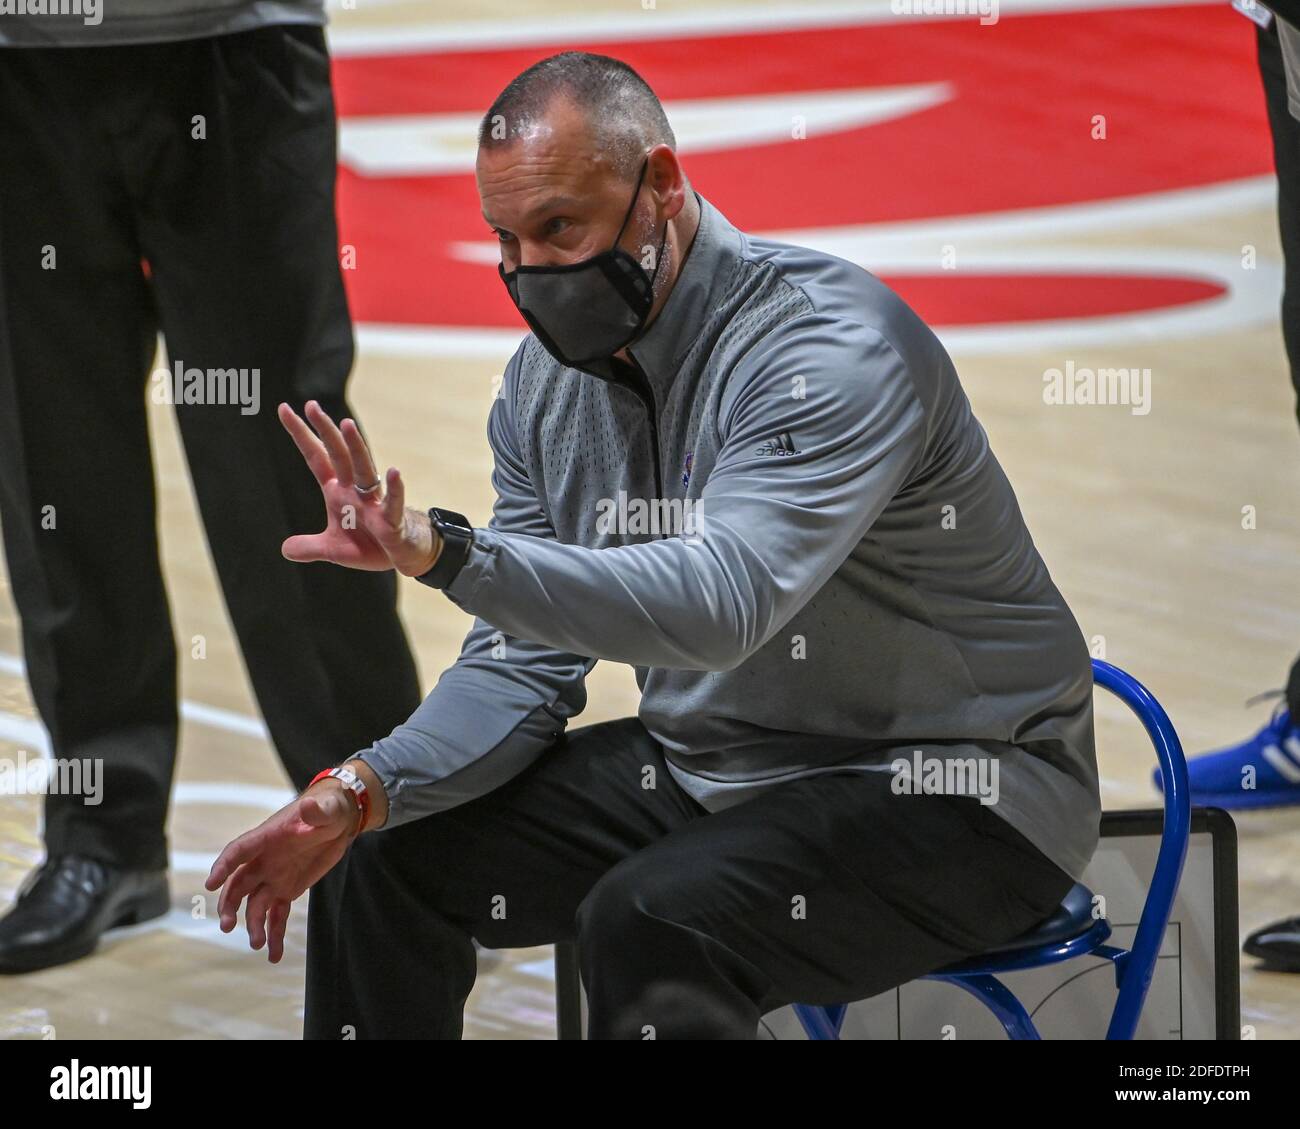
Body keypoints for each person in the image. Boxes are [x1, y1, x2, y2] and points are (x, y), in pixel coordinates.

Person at [207, 51, 1101, 1039]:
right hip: (716, 769)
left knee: (648, 917)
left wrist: (448, 554)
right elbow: (520, 664)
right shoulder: (546, 389)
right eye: (506, 240)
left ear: (660, 187)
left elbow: (724, 603)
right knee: (385, 854)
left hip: (959, 788)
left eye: (559, 229)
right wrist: (359, 789)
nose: (531, 272)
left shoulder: (826, 352)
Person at [0, 2, 421, 973]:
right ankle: (102, 842)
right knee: (55, 462)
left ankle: (384, 825)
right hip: (19, 58)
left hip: (226, 44)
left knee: (283, 463)